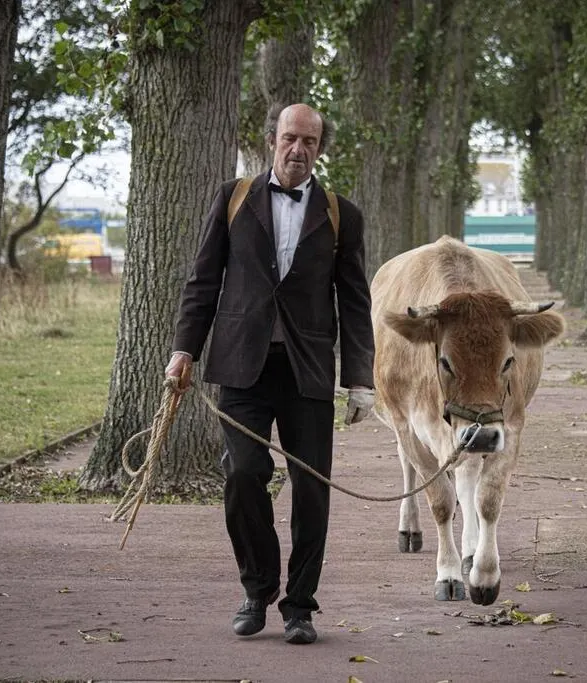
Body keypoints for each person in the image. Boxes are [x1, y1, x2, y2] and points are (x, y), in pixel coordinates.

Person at [166, 103, 375, 645]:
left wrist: (361, 378)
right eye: (289, 138)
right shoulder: (233, 198)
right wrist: (183, 349)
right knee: (242, 475)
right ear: (272, 140)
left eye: (309, 141)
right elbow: (203, 280)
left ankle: (299, 606)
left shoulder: (340, 215)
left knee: (311, 491)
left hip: (307, 373)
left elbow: (354, 303)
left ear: (320, 149)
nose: (297, 149)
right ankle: (257, 590)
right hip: (241, 366)